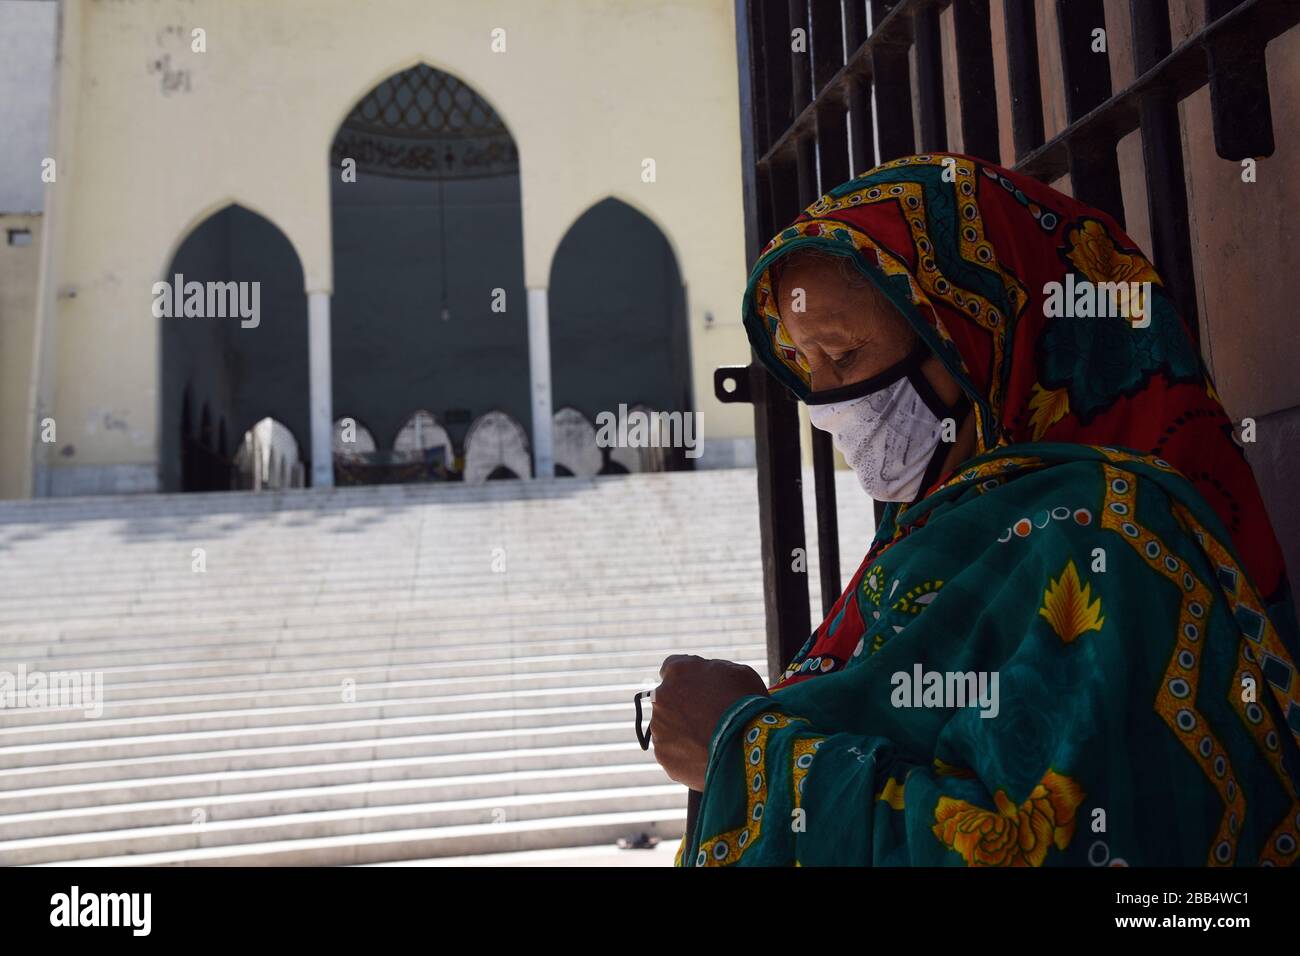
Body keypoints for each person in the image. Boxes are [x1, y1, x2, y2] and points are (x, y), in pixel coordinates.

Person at [650, 152, 1300, 867]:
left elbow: (1032, 847)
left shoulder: (1106, 537)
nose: (827, 403)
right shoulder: (929, 538)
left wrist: (741, 746)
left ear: (971, 337)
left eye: (842, 354)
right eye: (806, 366)